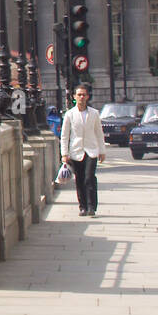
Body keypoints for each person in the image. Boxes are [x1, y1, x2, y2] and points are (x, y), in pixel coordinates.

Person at [59, 83, 105, 217]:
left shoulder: (94, 113)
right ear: (74, 97)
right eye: (79, 95)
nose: (81, 97)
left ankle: (92, 206)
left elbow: (99, 133)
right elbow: (64, 135)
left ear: (88, 97)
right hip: (76, 151)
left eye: (84, 95)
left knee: (89, 178)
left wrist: (102, 151)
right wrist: (64, 154)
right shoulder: (70, 114)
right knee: (79, 179)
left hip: (91, 150)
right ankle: (83, 206)